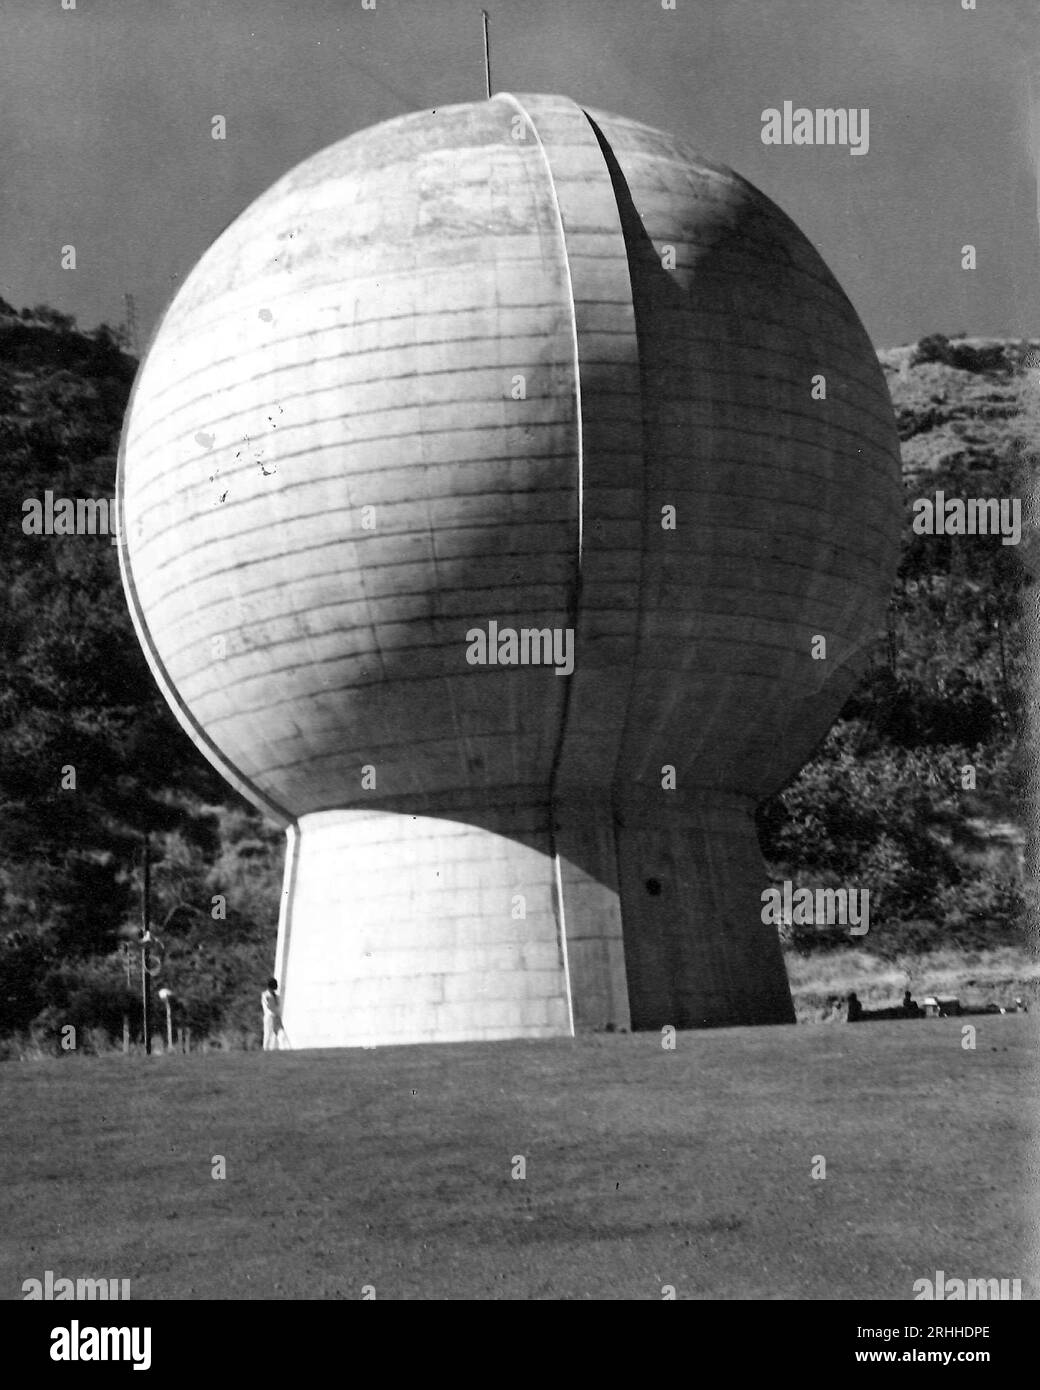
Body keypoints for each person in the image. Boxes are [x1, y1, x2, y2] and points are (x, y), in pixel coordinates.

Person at [261, 977, 286, 1050]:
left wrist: (278, 1015)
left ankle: (273, 1050)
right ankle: (265, 1050)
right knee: (268, 1034)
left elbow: (278, 1007)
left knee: (279, 1035)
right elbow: (267, 1006)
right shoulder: (265, 995)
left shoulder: (277, 996)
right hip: (269, 1017)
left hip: (276, 1017)